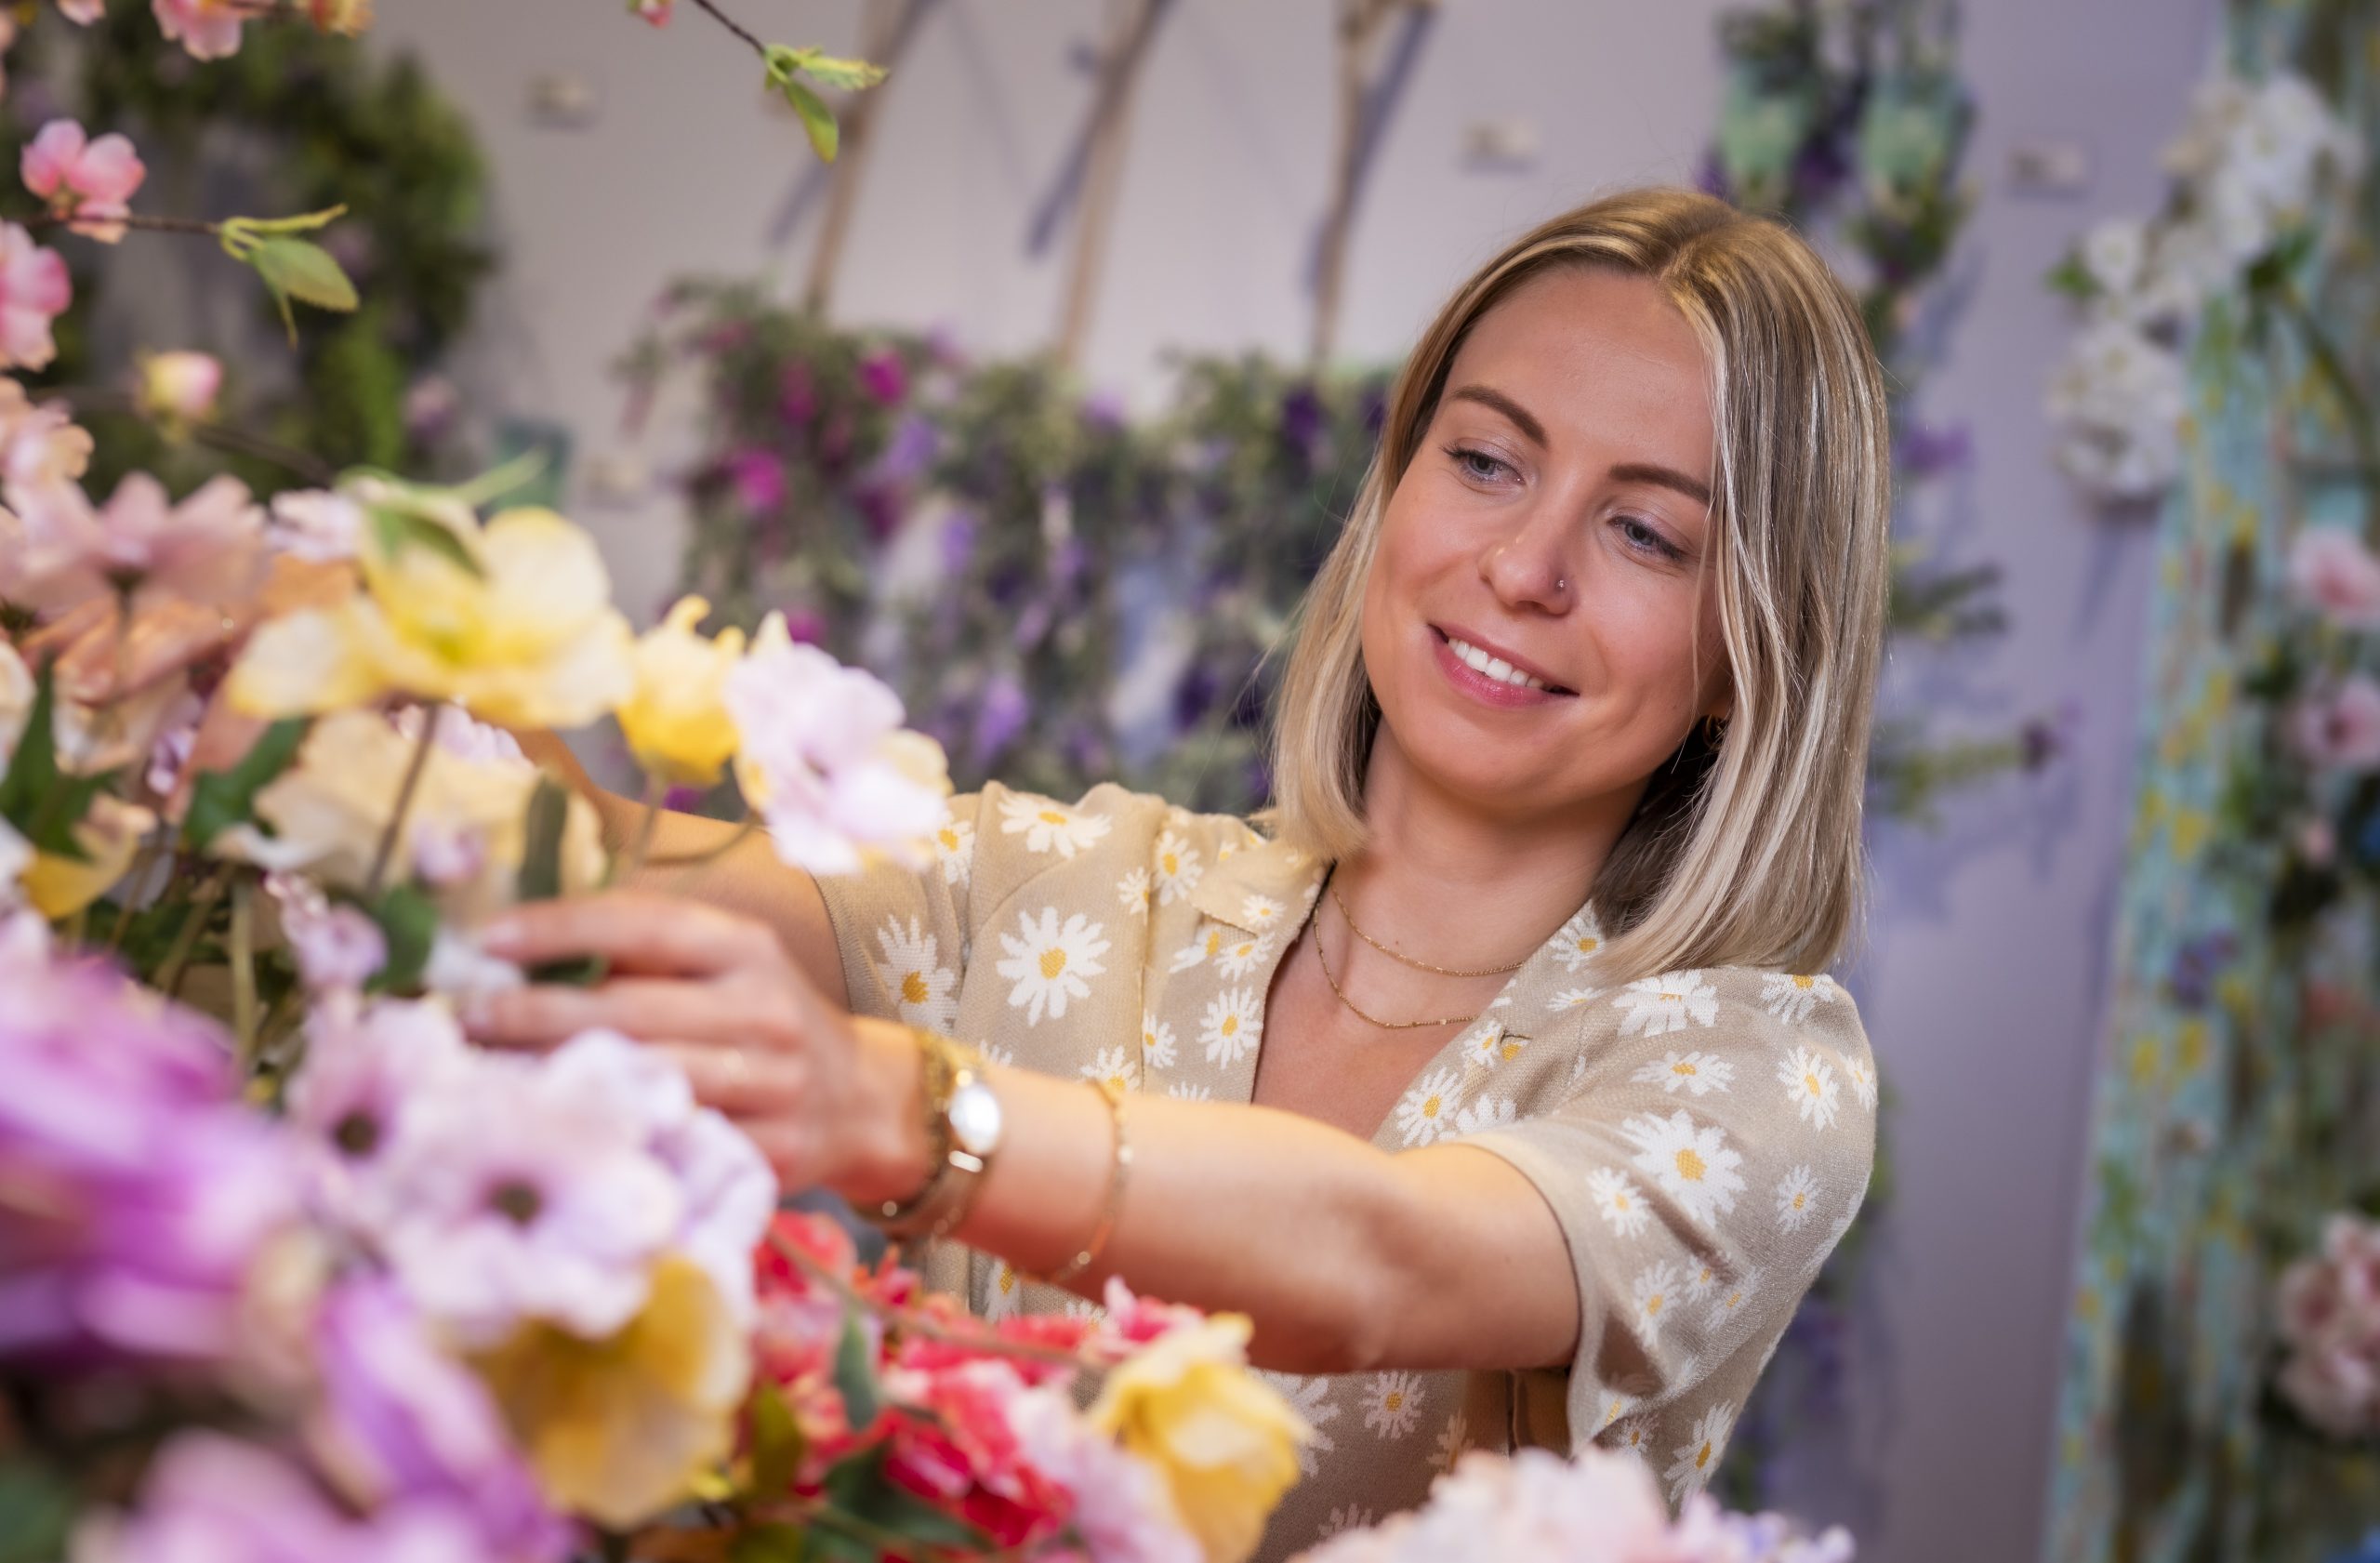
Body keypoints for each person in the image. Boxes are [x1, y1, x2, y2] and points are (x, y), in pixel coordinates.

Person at [130, 185, 1891, 1556]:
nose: (1524, 564)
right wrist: (285, 690)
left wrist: (900, 1109)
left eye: (1645, 528)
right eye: (1486, 458)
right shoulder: (1067, 886)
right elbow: (576, 873)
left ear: (1754, 645)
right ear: (1398, 490)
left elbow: (1380, 1262)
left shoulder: (1751, 1066)